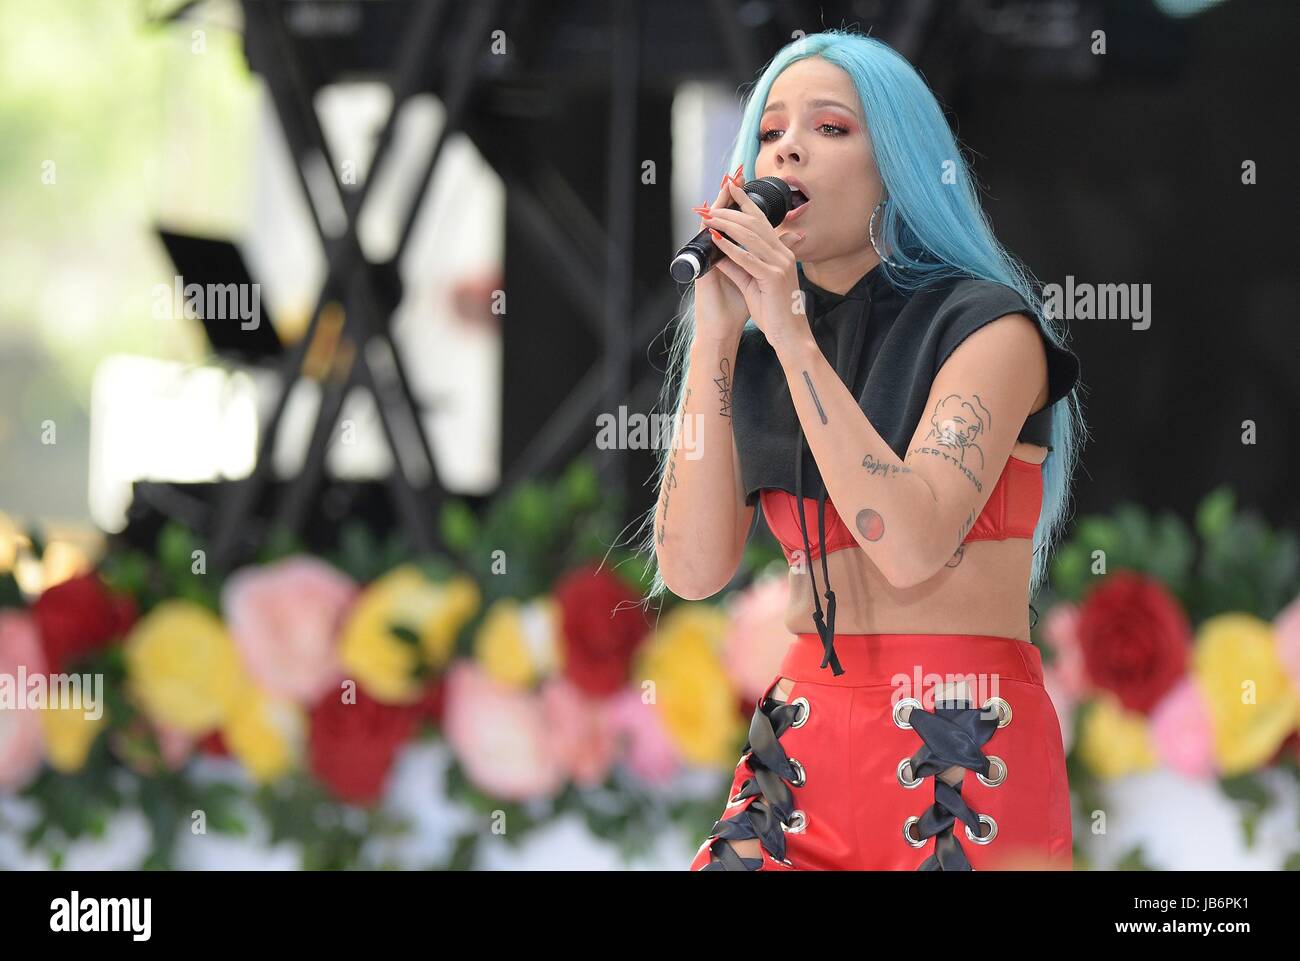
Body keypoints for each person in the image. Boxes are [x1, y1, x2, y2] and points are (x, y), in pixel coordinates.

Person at [644, 29, 1084, 870]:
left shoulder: (988, 327)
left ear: (901, 167)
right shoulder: (764, 344)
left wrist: (790, 331)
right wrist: (715, 340)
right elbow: (694, 568)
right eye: (770, 132)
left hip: (959, 745)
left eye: (831, 128)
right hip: (800, 745)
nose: (789, 149)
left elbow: (910, 541)